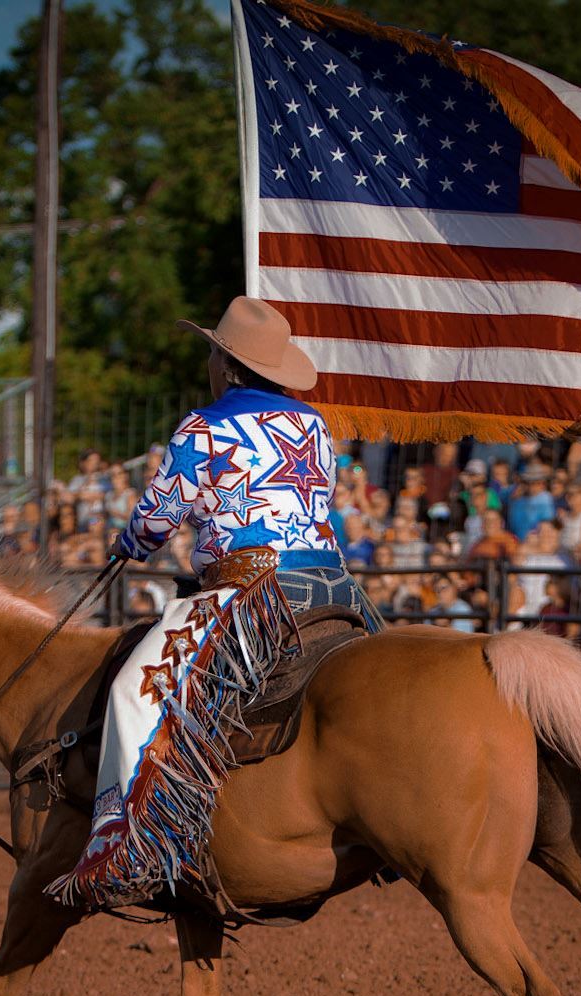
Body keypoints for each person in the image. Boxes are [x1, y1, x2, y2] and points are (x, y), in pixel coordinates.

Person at [45, 296, 381, 916]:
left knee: (133, 693)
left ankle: (132, 849)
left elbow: (157, 517)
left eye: (212, 352)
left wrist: (132, 542)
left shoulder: (202, 429)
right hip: (335, 587)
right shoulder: (315, 426)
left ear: (226, 366)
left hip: (252, 592)